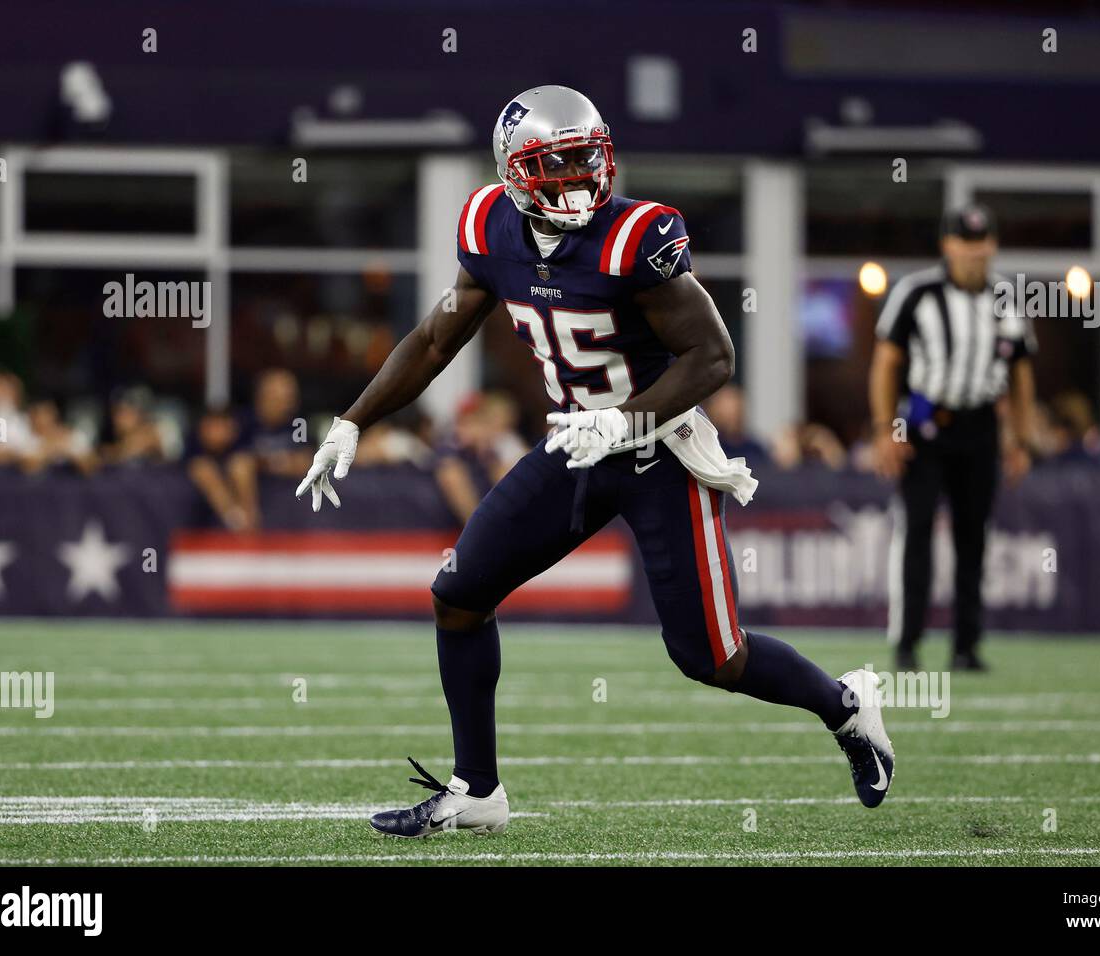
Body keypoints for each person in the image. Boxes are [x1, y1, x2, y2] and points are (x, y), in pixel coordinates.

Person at [296, 86, 894, 837]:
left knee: (712, 658)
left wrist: (624, 419)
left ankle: (845, 705)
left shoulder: (634, 236)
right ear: (515, 173)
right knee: (459, 595)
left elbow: (713, 356)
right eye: (558, 163)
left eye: (587, 157)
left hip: (658, 450)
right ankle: (476, 789)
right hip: (576, 446)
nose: (579, 177)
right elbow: (435, 339)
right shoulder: (489, 227)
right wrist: (353, 421)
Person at [869, 204, 1037, 673]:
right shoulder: (916, 291)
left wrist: (1020, 440)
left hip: (980, 425)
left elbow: (1021, 373)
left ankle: (966, 646)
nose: (975, 251)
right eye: (966, 241)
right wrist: (885, 430)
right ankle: (907, 644)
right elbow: (886, 363)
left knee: (973, 536)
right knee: (917, 531)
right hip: (926, 422)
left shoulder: (1006, 297)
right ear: (947, 245)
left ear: (993, 244)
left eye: (983, 241)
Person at [186, 405, 259, 531]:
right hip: (211, 514)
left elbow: (252, 460)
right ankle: (237, 522)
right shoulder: (194, 445)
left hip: (248, 511)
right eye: (212, 427)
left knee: (240, 465)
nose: (217, 433)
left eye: (221, 427)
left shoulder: (241, 443)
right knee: (203, 468)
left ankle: (250, 522)